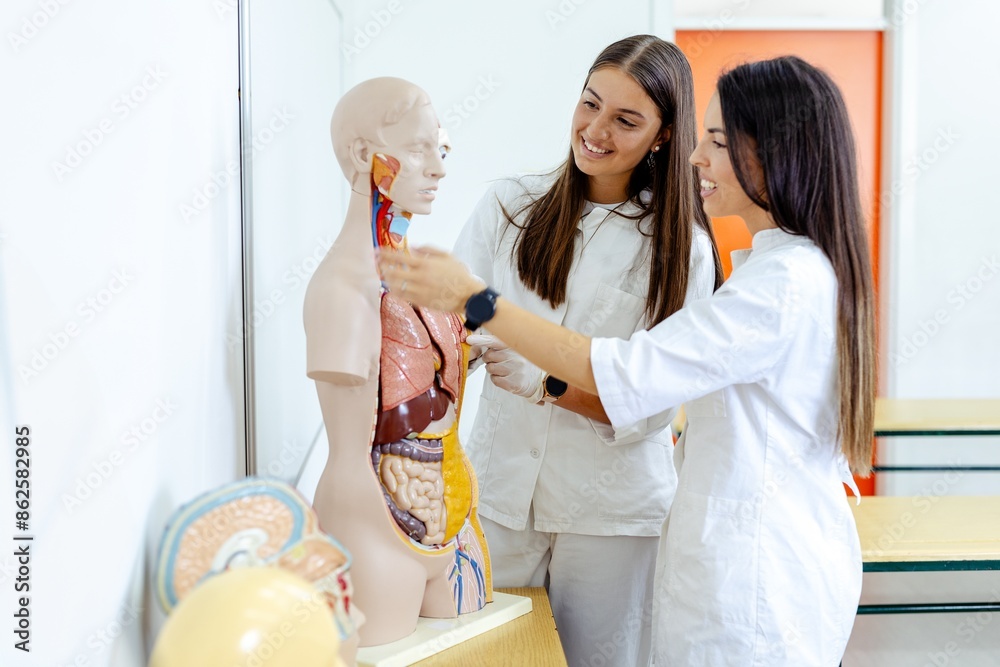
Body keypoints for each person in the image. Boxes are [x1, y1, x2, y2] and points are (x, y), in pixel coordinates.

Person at [379, 55, 876, 666]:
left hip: (743, 575)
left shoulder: (775, 283)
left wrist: (485, 309)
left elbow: (632, 378)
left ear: (776, 156)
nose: (697, 156)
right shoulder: (779, 271)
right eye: (590, 103)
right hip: (693, 553)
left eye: (717, 142)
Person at [449, 35, 721, 666]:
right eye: (590, 103)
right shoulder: (509, 206)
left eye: (626, 120)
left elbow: (650, 407)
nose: (595, 131)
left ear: (662, 135)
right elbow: (453, 317)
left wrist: (543, 382)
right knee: (488, 657)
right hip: (499, 496)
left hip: (610, 517)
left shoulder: (681, 249)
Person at [303, 77, 491, 648]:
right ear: (365, 154)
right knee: (383, 651)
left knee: (472, 650)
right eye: (417, 149)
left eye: (441, 149)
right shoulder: (343, 287)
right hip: (377, 526)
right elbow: (350, 443)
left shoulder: (416, 271)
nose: (438, 168)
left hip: (450, 512)